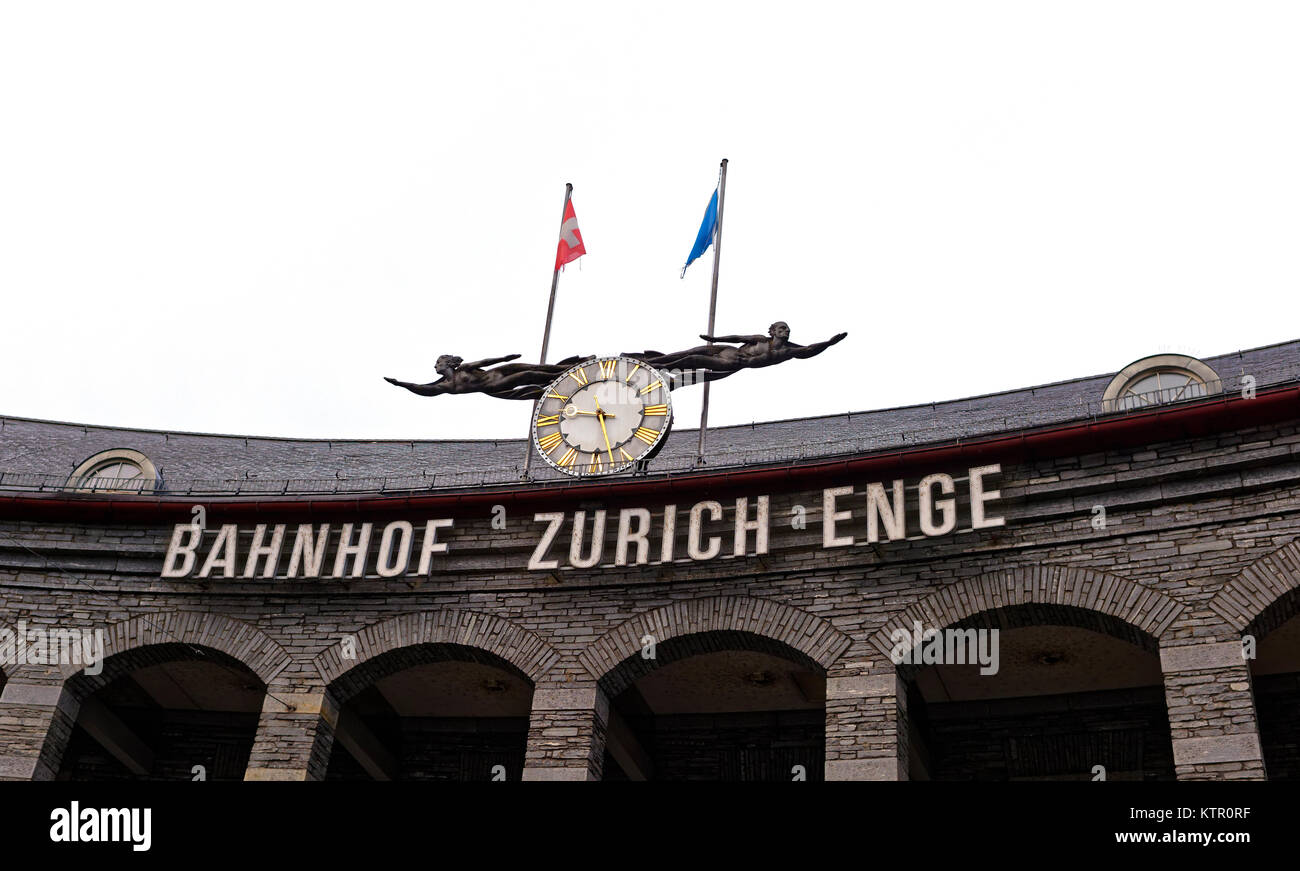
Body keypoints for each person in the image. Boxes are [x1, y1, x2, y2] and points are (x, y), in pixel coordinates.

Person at [384, 353, 591, 400]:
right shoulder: (446, 386)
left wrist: (504, 358)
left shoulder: (464, 368)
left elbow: (484, 362)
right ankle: (564, 376)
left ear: (447, 363)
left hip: (498, 371)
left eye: (438, 362)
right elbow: (423, 389)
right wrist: (401, 384)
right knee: (528, 375)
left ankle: (569, 368)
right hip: (494, 385)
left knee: (536, 368)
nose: (435, 366)